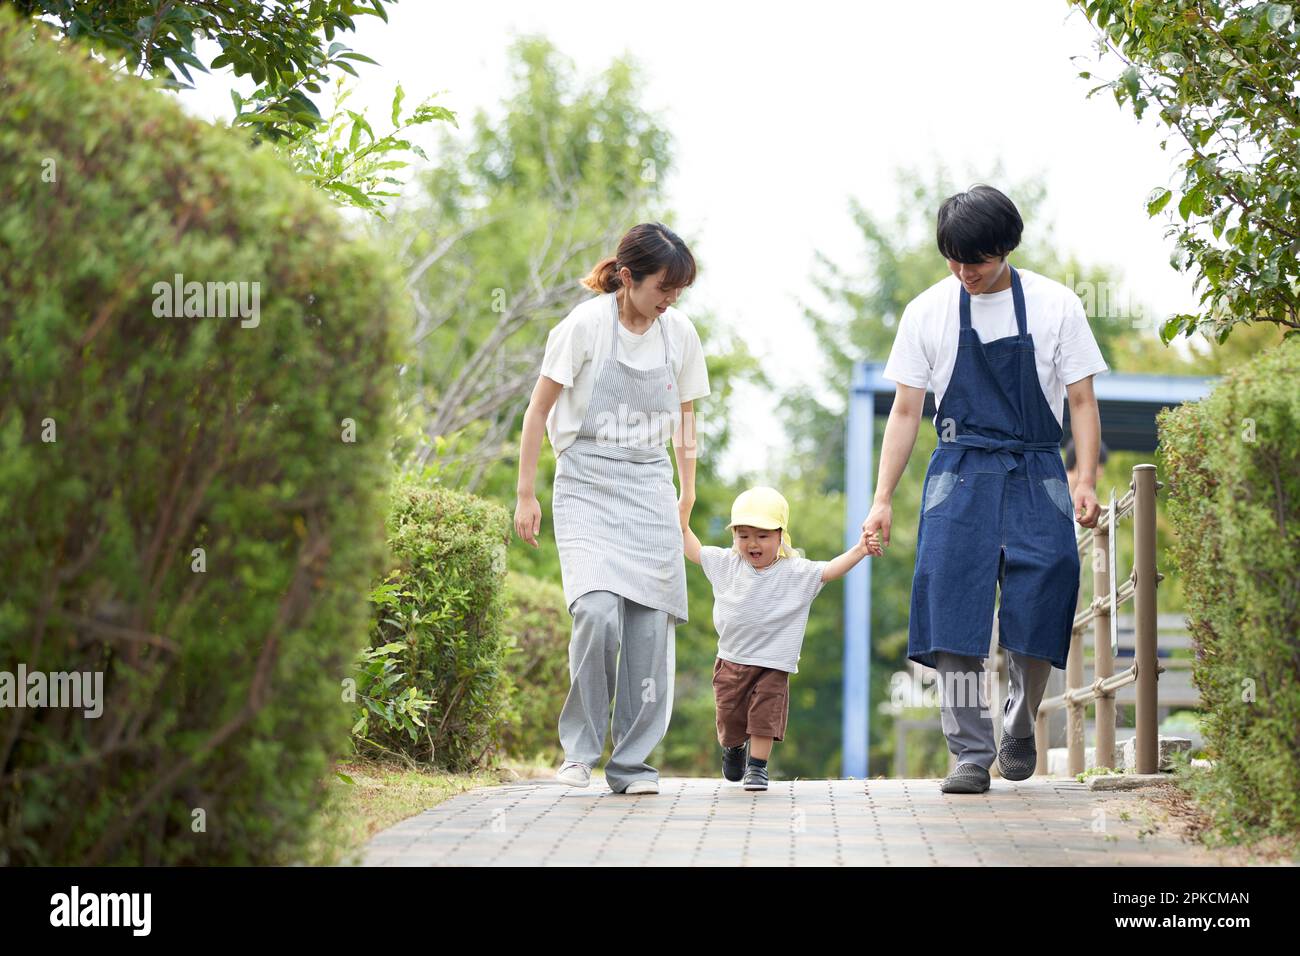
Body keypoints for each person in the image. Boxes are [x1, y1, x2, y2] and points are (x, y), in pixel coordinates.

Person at [862, 185, 1108, 794]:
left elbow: (1080, 398)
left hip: (1036, 469)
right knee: (952, 603)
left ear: (1006, 249)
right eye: (954, 260)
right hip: (959, 472)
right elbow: (905, 410)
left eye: (976, 261)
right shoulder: (927, 311)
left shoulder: (1056, 305)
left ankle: (1019, 723)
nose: (964, 273)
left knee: (1045, 589)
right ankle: (971, 753)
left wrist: (1084, 479)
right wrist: (882, 497)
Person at [514, 222, 710, 795]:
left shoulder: (679, 335)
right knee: (597, 613)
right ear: (627, 278)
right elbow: (536, 411)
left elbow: (687, 419)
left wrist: (687, 490)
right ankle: (579, 751)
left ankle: (632, 765)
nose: (670, 299)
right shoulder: (584, 326)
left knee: (650, 632)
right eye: (662, 287)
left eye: (678, 290)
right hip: (587, 482)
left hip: (650, 483)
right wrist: (526, 494)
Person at [682, 487, 879, 791]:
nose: (752, 543)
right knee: (729, 717)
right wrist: (681, 522)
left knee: (765, 715)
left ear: (780, 537)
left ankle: (758, 767)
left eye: (762, 536)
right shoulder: (726, 564)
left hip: (774, 663)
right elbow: (694, 551)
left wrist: (860, 550)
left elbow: (829, 570)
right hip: (732, 660)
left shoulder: (794, 572)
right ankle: (734, 748)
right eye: (743, 535)